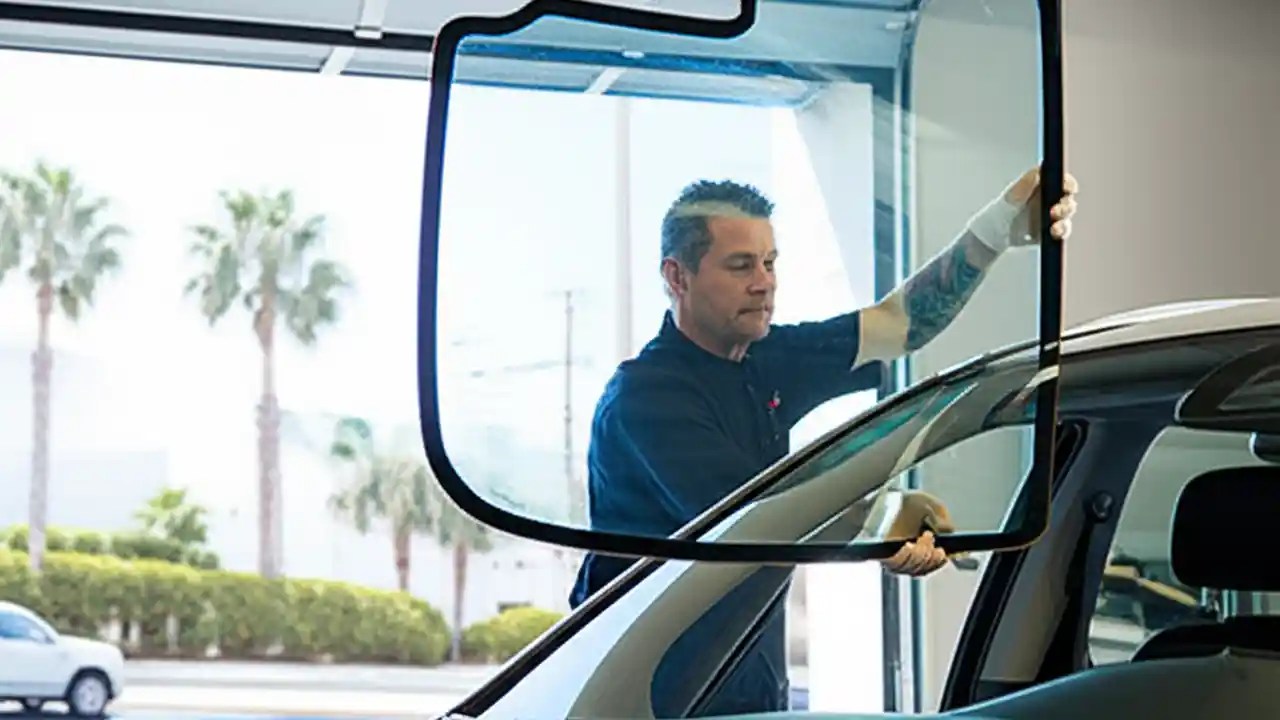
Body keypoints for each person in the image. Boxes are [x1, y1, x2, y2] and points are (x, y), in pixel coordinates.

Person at [568, 167, 1079, 716]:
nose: (764, 282)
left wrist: (1002, 222)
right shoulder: (644, 398)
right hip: (637, 702)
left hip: (746, 692)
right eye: (740, 265)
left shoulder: (765, 357)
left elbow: (901, 323)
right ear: (677, 276)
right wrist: (883, 517)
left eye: (769, 263)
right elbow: (756, 516)